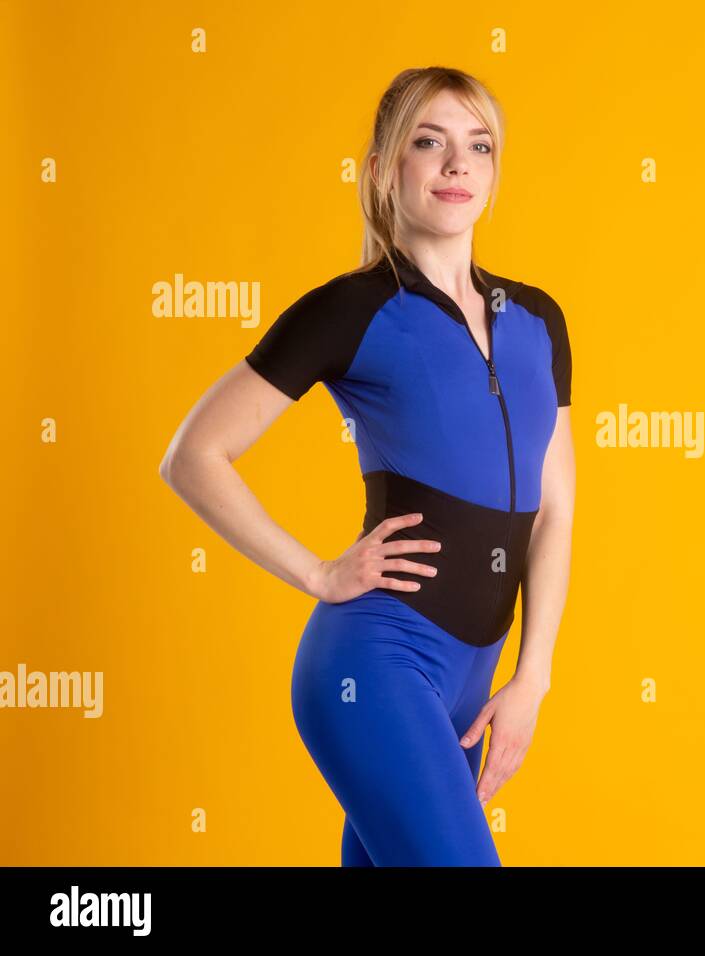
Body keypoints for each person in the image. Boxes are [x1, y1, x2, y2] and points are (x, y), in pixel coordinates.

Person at [158, 66, 575, 865]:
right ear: (385, 170)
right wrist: (317, 574)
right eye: (430, 142)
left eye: (477, 145)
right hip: (375, 666)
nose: (457, 165)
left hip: (473, 682)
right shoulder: (351, 310)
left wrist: (533, 679)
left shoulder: (540, 320)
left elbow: (556, 509)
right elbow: (193, 456)